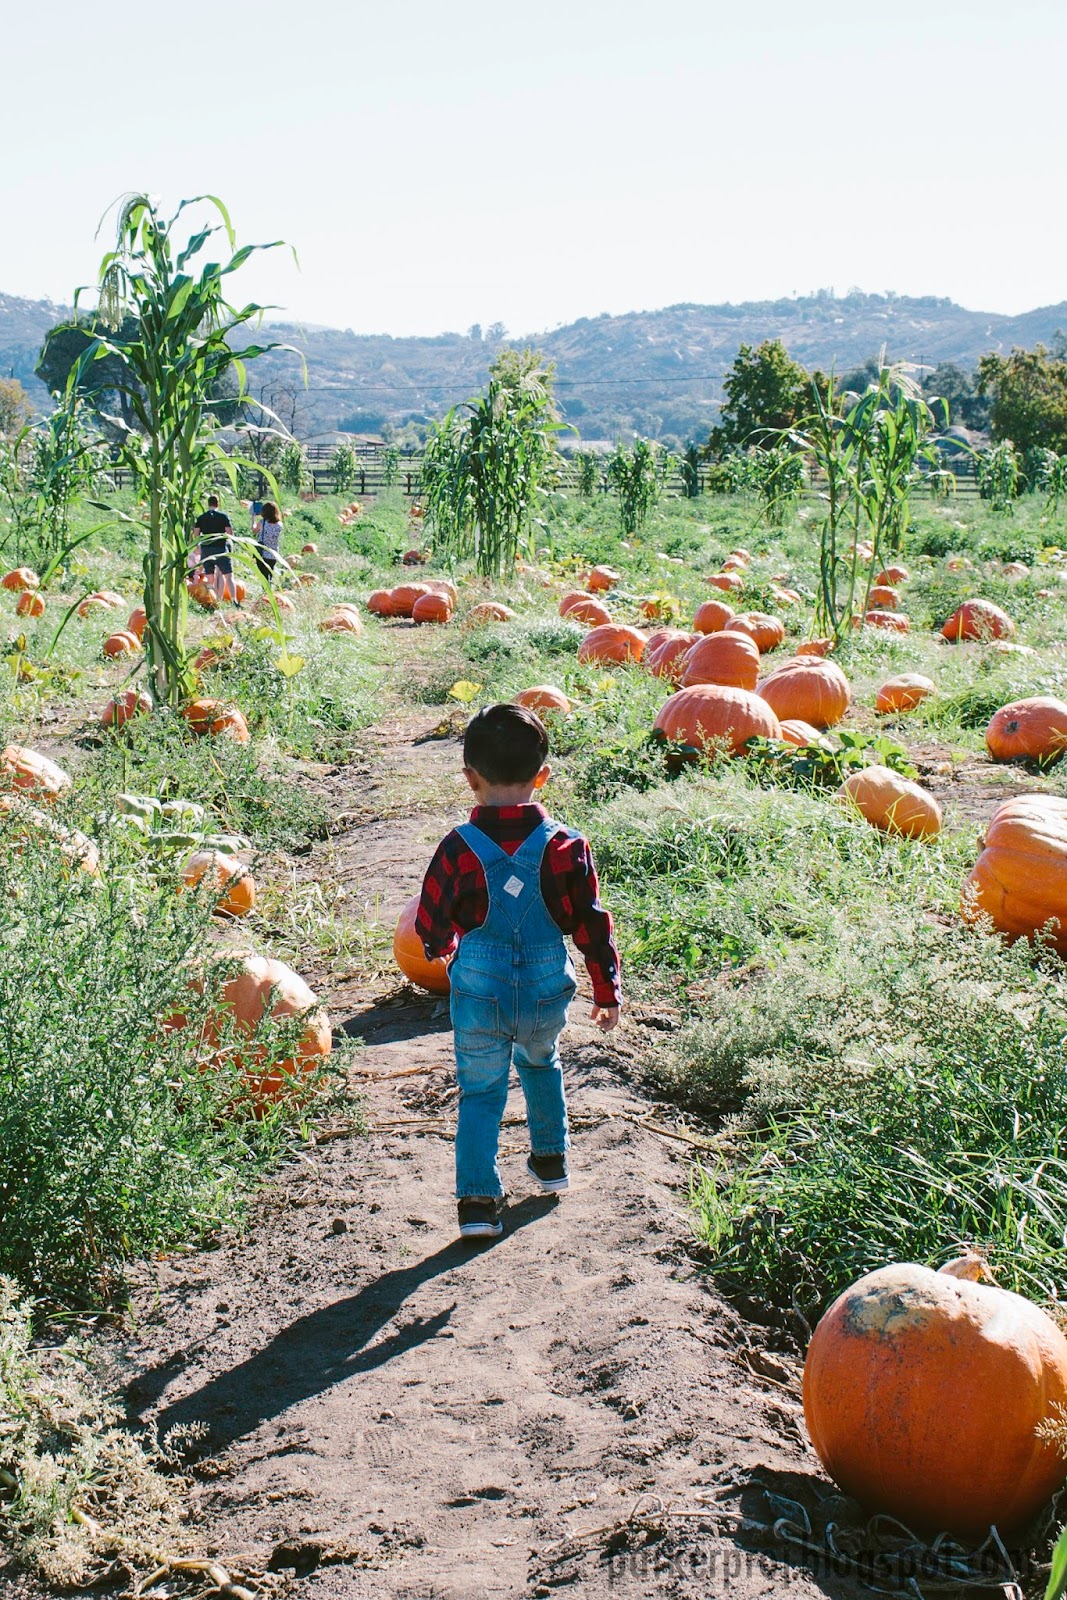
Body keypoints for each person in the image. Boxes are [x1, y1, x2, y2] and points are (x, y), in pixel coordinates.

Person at [416, 703, 622, 1240]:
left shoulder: (458, 848)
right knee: (542, 1063)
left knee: (481, 1091)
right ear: (543, 776)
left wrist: (440, 946)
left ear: (469, 779)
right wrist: (606, 989)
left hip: (479, 990)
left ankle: (479, 1202)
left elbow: (430, 916)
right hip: (544, 988)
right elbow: (591, 923)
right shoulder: (566, 845)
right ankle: (551, 1163)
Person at [193, 495, 236, 603]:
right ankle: (234, 601)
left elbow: (196, 534)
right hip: (221, 549)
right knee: (229, 576)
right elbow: (230, 533)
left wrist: (198, 546)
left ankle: (212, 600)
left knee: (210, 578)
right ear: (218, 504)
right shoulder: (223, 517)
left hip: (206, 549)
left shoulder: (201, 518)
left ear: (208, 504)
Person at [254, 500, 283, 583]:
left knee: (264, 576)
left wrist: (253, 519)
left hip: (262, 553)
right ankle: (268, 591)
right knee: (269, 574)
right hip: (274, 554)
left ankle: (266, 592)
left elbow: (254, 530)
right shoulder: (280, 524)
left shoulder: (262, 523)